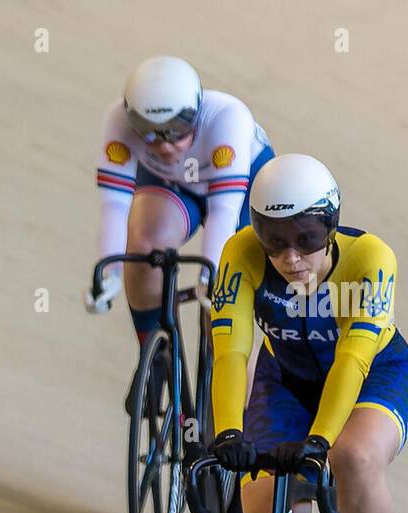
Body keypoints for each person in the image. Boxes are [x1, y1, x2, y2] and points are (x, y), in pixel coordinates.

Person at [208, 154, 408, 513]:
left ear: (329, 225)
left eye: (305, 238)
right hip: (286, 381)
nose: (290, 256)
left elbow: (351, 359)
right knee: (261, 498)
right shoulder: (240, 255)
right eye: (274, 239)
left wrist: (321, 441)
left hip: (375, 373)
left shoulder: (370, 258)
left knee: (353, 456)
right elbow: (231, 351)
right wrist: (228, 432)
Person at [87, 55, 275, 405]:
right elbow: (115, 206)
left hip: (240, 190)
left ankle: (235, 422)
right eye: (148, 133)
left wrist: (213, 280)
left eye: (176, 129)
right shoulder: (117, 120)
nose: (164, 145)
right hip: (175, 187)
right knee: (143, 245)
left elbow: (224, 211)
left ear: (196, 111)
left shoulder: (227, 117)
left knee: (225, 311)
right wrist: (109, 273)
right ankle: (155, 354)